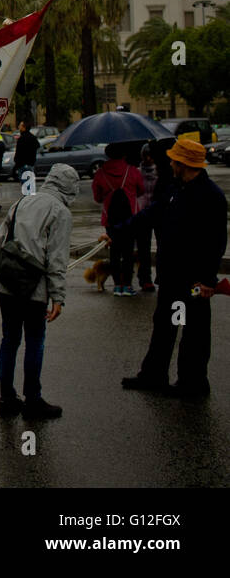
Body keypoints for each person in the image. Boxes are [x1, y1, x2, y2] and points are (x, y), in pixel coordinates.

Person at [115, 139, 227, 399]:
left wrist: (207, 279)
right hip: (171, 275)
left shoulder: (210, 196)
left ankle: (193, 383)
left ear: (183, 163)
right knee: (165, 325)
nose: (171, 163)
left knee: (194, 330)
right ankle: (154, 375)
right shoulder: (176, 189)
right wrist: (117, 233)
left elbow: (215, 242)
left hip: (195, 280)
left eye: (174, 159)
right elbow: (150, 215)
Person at [0, 163, 77, 420]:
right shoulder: (61, 212)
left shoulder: (23, 201)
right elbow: (56, 260)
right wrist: (58, 298)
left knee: (9, 340)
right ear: (70, 188)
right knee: (34, 341)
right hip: (34, 288)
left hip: (7, 283)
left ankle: (7, 398)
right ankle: (33, 400)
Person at [91, 143, 144, 297]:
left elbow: (97, 197)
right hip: (131, 218)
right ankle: (127, 285)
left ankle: (117, 286)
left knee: (114, 253)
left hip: (110, 220)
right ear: (124, 154)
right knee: (128, 253)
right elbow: (140, 191)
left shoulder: (100, 173)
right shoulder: (132, 171)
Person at [133, 144, 162, 292]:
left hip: (159, 212)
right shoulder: (137, 172)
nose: (148, 159)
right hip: (142, 212)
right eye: (146, 156)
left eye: (151, 156)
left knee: (162, 246)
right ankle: (145, 279)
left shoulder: (160, 172)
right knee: (143, 247)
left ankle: (161, 276)